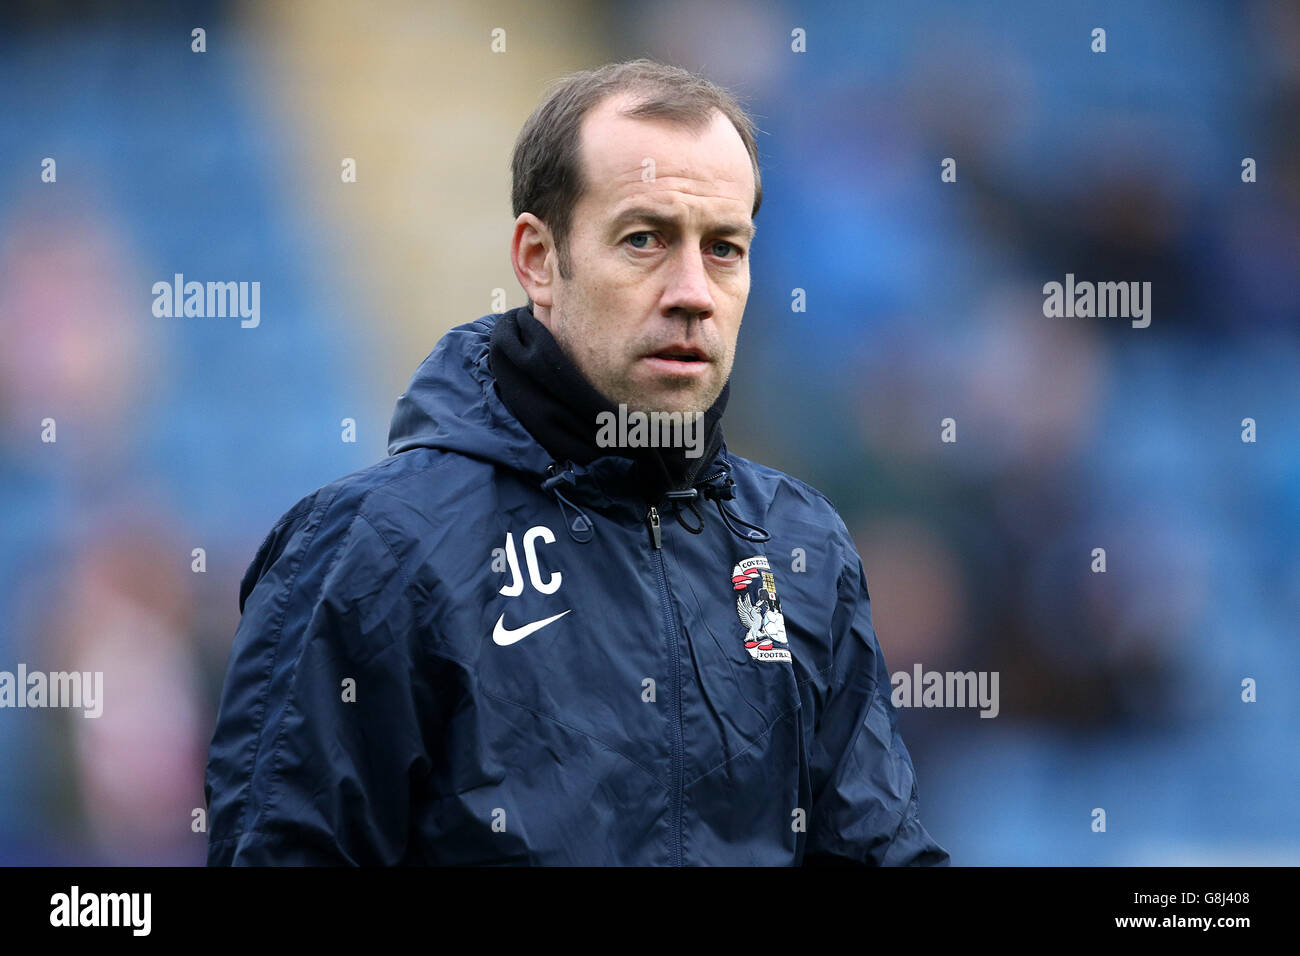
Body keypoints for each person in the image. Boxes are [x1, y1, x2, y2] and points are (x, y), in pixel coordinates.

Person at [204, 58, 950, 866]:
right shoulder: (370, 550)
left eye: (724, 248)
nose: (694, 291)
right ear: (537, 260)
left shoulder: (802, 547)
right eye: (645, 240)